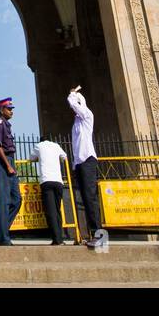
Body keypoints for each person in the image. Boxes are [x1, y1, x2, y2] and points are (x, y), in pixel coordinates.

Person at [68, 86, 103, 247]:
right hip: (79, 163)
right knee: (83, 200)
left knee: (91, 198)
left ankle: (99, 235)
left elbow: (74, 104)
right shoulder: (76, 123)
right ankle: (89, 235)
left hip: (88, 161)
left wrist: (72, 94)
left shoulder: (87, 115)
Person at [0, 97, 21, 245]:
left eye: (12, 109)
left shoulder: (7, 124)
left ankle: (2, 232)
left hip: (10, 161)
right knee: (4, 200)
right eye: (9, 109)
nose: (11, 111)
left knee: (17, 199)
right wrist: (8, 165)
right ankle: (4, 237)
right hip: (3, 162)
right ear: (2, 110)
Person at [29, 137, 69, 245]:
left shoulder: (39, 146)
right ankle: (60, 237)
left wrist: (39, 158)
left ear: (41, 140)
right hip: (58, 181)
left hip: (46, 181)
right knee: (57, 210)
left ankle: (57, 239)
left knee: (50, 211)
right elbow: (64, 157)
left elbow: (31, 158)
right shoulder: (56, 145)